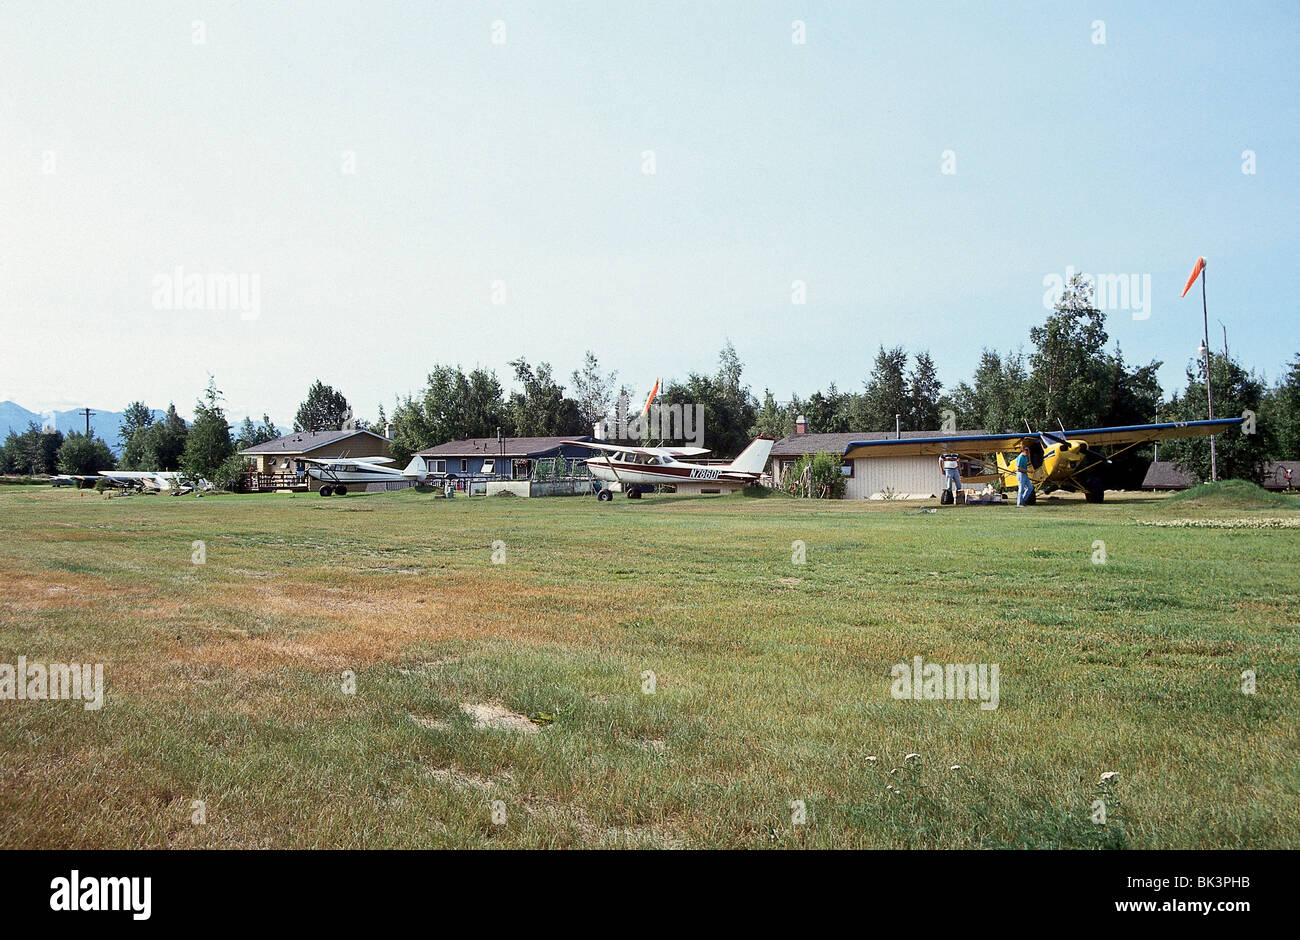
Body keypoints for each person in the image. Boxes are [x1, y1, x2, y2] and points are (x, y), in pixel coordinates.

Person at [1015, 442, 1035, 507]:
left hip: (1025, 474)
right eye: (1026, 450)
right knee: (1021, 489)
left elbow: (1029, 461)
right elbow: (1018, 468)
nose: (1027, 451)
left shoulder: (1025, 457)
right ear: (1022, 450)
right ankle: (1019, 504)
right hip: (1021, 474)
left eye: (1028, 450)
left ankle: (1023, 500)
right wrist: (1028, 471)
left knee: (1030, 487)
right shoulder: (1020, 457)